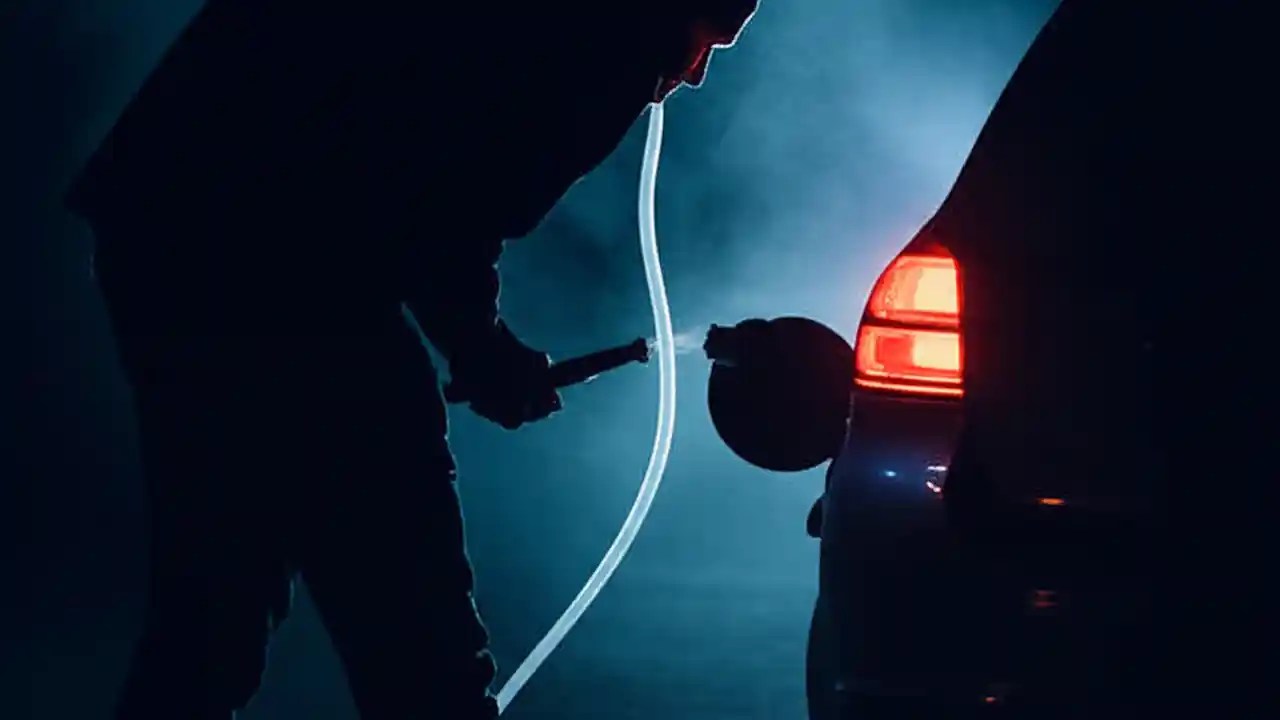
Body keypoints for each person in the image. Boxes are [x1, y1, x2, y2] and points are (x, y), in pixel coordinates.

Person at [66, 2, 758, 718]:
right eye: (704, 40)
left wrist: (480, 341)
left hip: (173, 217)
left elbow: (429, 183)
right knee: (415, 643)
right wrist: (483, 349)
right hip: (262, 253)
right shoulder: (598, 36)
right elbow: (445, 209)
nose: (698, 76)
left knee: (217, 605)